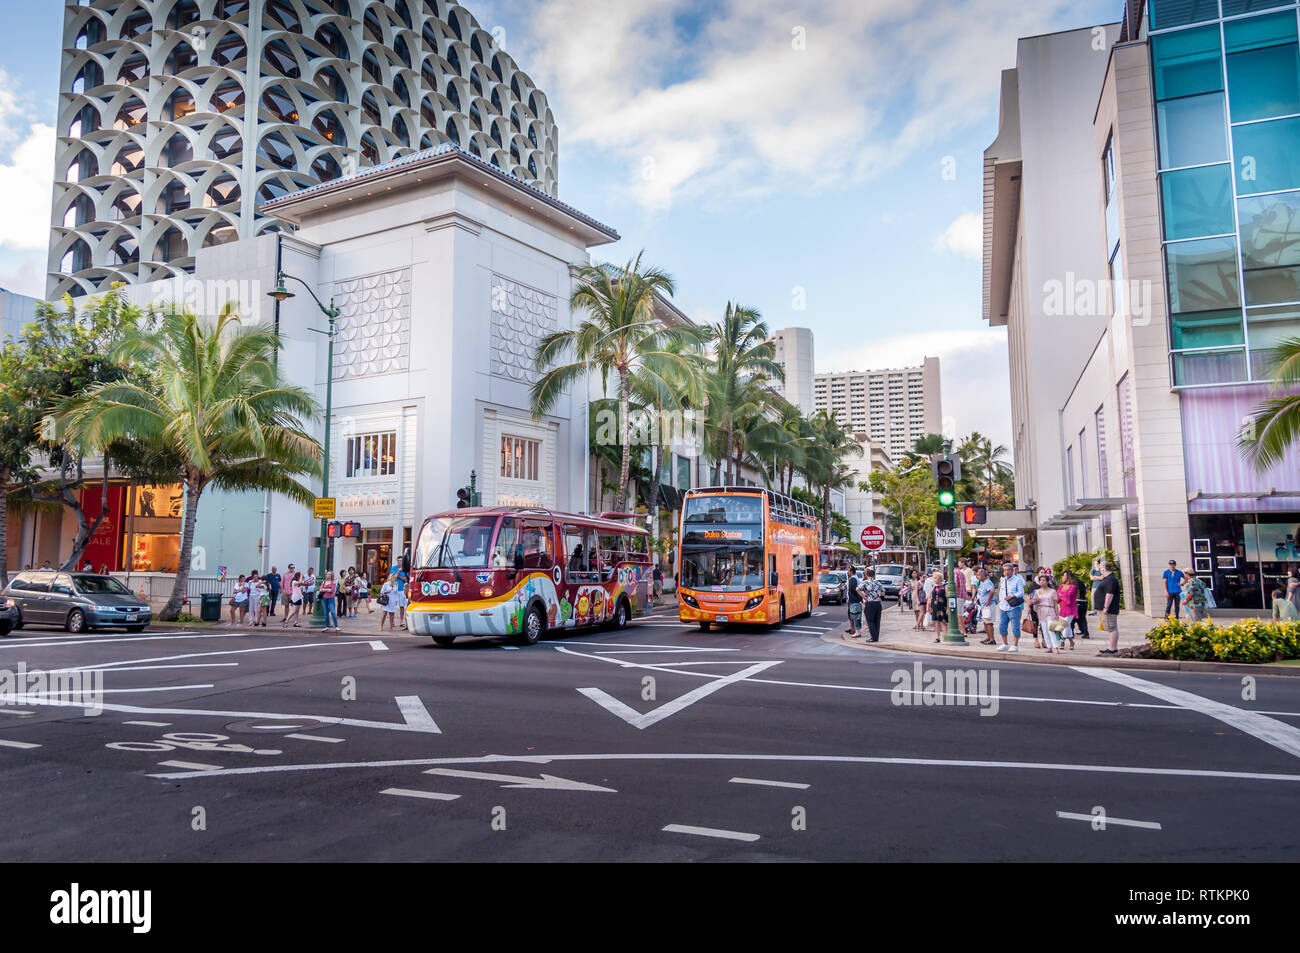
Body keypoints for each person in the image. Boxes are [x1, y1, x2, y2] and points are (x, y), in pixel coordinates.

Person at [996, 563, 1025, 653]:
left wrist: (1012, 596)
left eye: (1008, 569)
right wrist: (1000, 601)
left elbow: (1021, 592)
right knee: (1001, 626)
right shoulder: (1003, 580)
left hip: (1013, 607)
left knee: (1015, 626)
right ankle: (1005, 643)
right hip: (1003, 606)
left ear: (1012, 571)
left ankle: (1015, 645)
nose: (1006, 571)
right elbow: (1000, 591)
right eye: (1005, 570)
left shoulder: (1017, 580)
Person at [1032, 570, 1062, 654]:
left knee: (1051, 629)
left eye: (1044, 580)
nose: (1042, 582)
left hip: (1050, 610)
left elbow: (1055, 603)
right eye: (1040, 580)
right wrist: (1035, 601)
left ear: (1047, 581)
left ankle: (1056, 647)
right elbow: (1033, 602)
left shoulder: (1052, 591)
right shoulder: (1037, 591)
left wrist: (1057, 614)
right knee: (1044, 630)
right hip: (1041, 611)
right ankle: (1049, 647)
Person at [1095, 562, 1122, 655]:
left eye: (1100, 568)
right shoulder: (1109, 579)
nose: (1099, 570)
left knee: (1112, 628)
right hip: (1107, 609)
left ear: (1103, 569)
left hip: (1109, 610)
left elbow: (1109, 594)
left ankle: (1112, 649)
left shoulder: (1111, 580)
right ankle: (1112, 648)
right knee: (1112, 628)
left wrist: (1105, 607)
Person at [1057, 570, 1080, 650]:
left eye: (1064, 575)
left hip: (1070, 610)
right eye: (1062, 575)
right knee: (1067, 626)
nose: (1062, 577)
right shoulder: (1061, 586)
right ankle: (1071, 642)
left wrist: (1061, 595)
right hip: (1062, 610)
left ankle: (1062, 641)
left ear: (1068, 577)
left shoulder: (1073, 587)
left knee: (1064, 625)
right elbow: (1057, 598)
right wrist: (1061, 596)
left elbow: (1068, 600)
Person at [861, 567, 884, 642]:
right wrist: (877, 595)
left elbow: (857, 589)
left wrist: (864, 596)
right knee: (877, 621)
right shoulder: (878, 582)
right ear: (874, 575)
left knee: (870, 621)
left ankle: (873, 637)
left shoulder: (865, 582)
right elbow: (883, 592)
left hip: (870, 602)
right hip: (878, 602)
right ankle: (876, 637)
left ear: (867, 575)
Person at [976, 568, 996, 644]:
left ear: (982, 575)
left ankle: (991, 639)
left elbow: (992, 591)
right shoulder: (983, 583)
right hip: (984, 605)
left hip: (988, 605)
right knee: (985, 622)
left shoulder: (987, 582)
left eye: (978, 575)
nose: (977, 577)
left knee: (989, 622)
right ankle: (988, 637)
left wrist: (988, 601)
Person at [929, 569, 947, 642]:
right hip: (935, 606)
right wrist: (929, 606)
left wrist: (947, 608)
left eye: (936, 578)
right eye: (934, 578)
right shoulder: (933, 586)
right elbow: (930, 597)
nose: (934, 579)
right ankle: (938, 637)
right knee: (936, 622)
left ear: (939, 579)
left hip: (942, 606)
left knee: (943, 622)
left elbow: (947, 597)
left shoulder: (944, 586)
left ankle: (945, 637)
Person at [844, 565, 863, 637]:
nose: (847, 572)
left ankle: (855, 630)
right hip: (853, 600)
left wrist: (853, 598)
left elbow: (853, 589)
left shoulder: (853, 579)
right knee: (851, 615)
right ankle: (853, 629)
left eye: (848, 571)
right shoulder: (854, 578)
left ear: (851, 571)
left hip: (854, 600)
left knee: (855, 615)